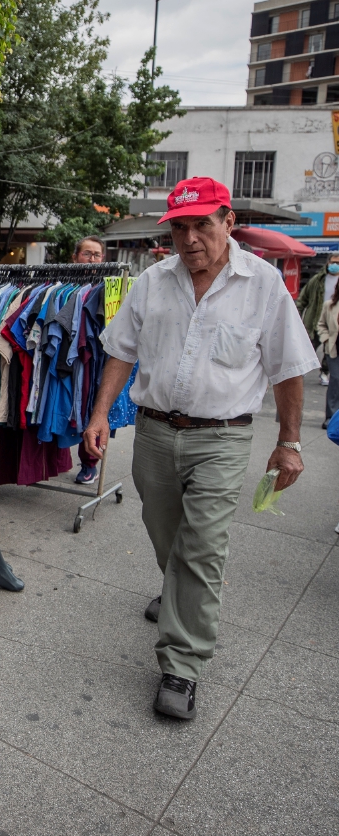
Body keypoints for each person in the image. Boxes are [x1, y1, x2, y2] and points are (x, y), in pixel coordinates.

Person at [83, 177, 317, 721]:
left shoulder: (262, 285)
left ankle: (181, 665)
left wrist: (289, 442)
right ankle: (176, 594)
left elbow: (288, 370)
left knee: (204, 547)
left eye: (202, 225)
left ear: (228, 221)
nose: (190, 239)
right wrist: (99, 414)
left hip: (224, 437)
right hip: (156, 433)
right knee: (167, 535)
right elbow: (120, 351)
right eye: (180, 227)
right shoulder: (151, 282)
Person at [70, 235, 107, 485]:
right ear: (75, 257)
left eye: (96, 255)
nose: (92, 259)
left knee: (92, 407)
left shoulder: (108, 288)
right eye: (87, 254)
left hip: (97, 358)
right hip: (71, 356)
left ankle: (89, 463)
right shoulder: (64, 286)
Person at [299, 252, 339, 389]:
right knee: (308, 347)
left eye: (338, 263)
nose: (335, 266)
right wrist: (297, 317)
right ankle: (301, 370)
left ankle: (325, 372)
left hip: (333, 323)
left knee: (330, 349)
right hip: (315, 320)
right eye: (333, 262)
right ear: (328, 263)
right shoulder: (317, 280)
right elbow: (302, 299)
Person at [317, 273, 339, 429]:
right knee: (335, 381)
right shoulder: (330, 305)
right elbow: (321, 324)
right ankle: (330, 417)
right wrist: (325, 339)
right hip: (334, 349)